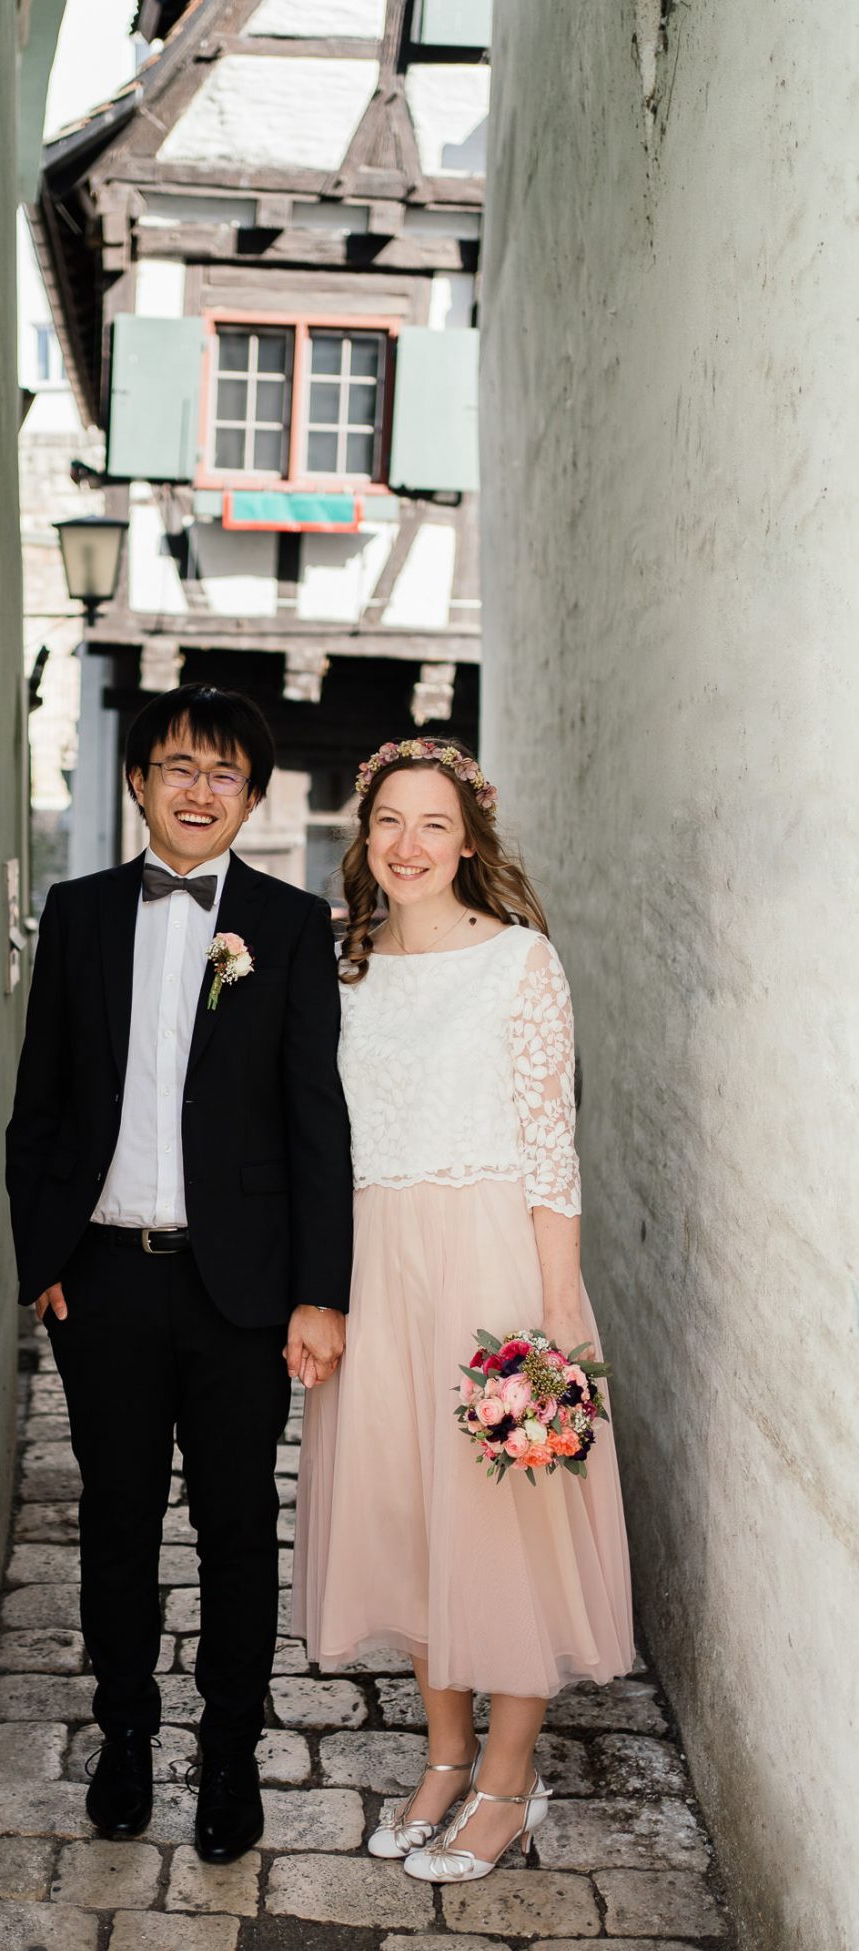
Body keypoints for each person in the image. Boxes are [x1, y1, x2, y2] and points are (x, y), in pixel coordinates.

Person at [6, 683, 353, 1863]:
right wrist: (42, 1254)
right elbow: (39, 1102)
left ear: (251, 796)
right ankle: (123, 1735)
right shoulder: (81, 910)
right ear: (138, 782)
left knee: (238, 1526)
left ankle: (227, 1755)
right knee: (113, 1523)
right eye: (177, 767)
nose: (199, 790)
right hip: (102, 1278)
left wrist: (320, 1289)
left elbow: (318, 1124)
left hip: (240, 1289)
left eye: (223, 773)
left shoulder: (292, 925)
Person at [292, 736, 633, 1883]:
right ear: (364, 834)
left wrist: (551, 1332)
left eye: (434, 823)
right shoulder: (341, 968)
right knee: (409, 1514)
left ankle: (508, 1776)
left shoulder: (521, 964)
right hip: (382, 1271)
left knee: (503, 1525)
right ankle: (444, 1753)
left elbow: (552, 1154)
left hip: (494, 1271)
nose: (408, 844)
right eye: (389, 821)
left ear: (472, 838)